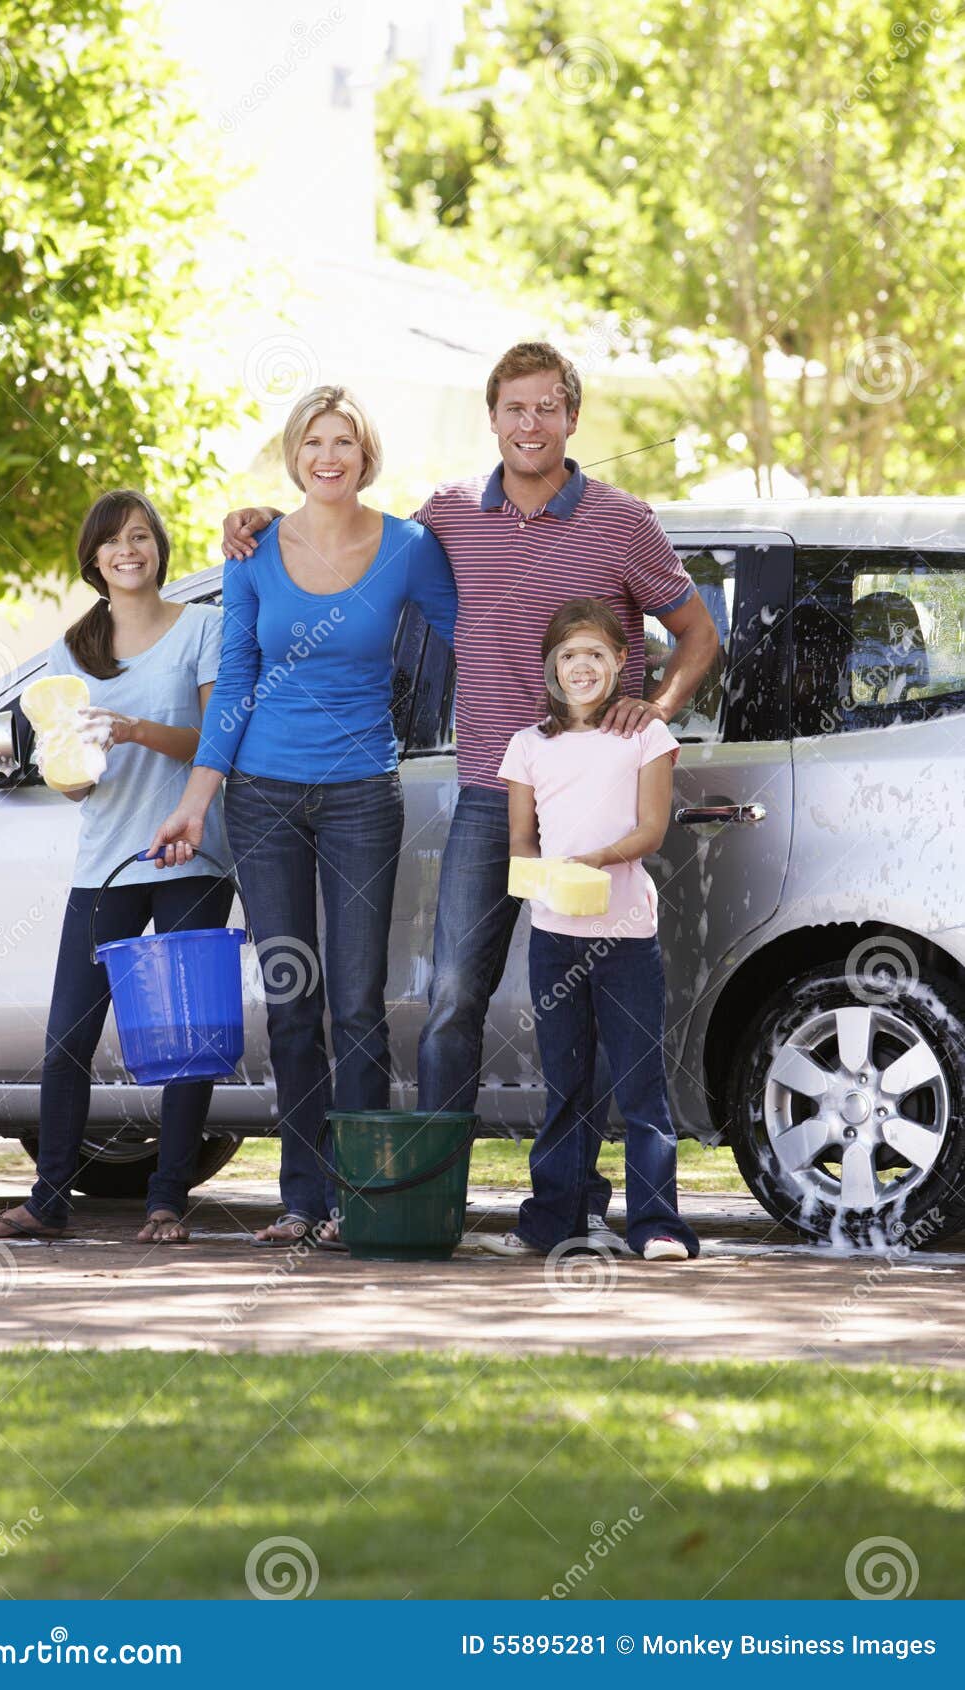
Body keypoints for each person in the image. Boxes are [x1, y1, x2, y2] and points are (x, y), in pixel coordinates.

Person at [220, 342, 718, 1240]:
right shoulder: (448, 514)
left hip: (596, 811)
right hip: (492, 797)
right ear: (492, 417)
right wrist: (260, 517)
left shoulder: (622, 519)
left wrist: (656, 706)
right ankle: (427, 1202)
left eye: (547, 408)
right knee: (453, 999)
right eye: (514, 409)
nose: (530, 424)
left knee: (603, 1016)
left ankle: (596, 1203)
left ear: (571, 416)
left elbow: (695, 632)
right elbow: (349, 535)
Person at [148, 386, 457, 1246]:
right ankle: (302, 1198)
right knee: (292, 998)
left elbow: (477, 635)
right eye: (314, 442)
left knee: (355, 1001)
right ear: (294, 454)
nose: (329, 456)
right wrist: (195, 799)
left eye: (344, 442)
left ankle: (361, 1196)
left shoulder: (408, 547)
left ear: (366, 455)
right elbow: (236, 680)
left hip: (363, 793)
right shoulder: (252, 551)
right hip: (261, 800)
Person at [0, 491, 234, 1245]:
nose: (130, 550)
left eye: (142, 537)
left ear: (159, 550)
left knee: (186, 1038)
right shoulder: (72, 650)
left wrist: (134, 729)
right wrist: (76, 765)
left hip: (192, 855)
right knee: (67, 1038)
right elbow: (70, 776)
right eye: (114, 541)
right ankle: (48, 1200)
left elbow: (213, 743)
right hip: (105, 862)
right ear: (93, 557)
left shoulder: (203, 630)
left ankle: (166, 1202)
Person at [485, 597, 700, 1261]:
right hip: (554, 940)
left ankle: (657, 1226)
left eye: (596, 655)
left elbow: (650, 830)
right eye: (569, 655)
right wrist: (539, 875)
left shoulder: (644, 736)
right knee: (566, 1085)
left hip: (626, 937)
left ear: (618, 663)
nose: (582, 667)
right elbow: (520, 842)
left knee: (640, 1086)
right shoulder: (528, 746)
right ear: (551, 665)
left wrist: (598, 859)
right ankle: (553, 1221)